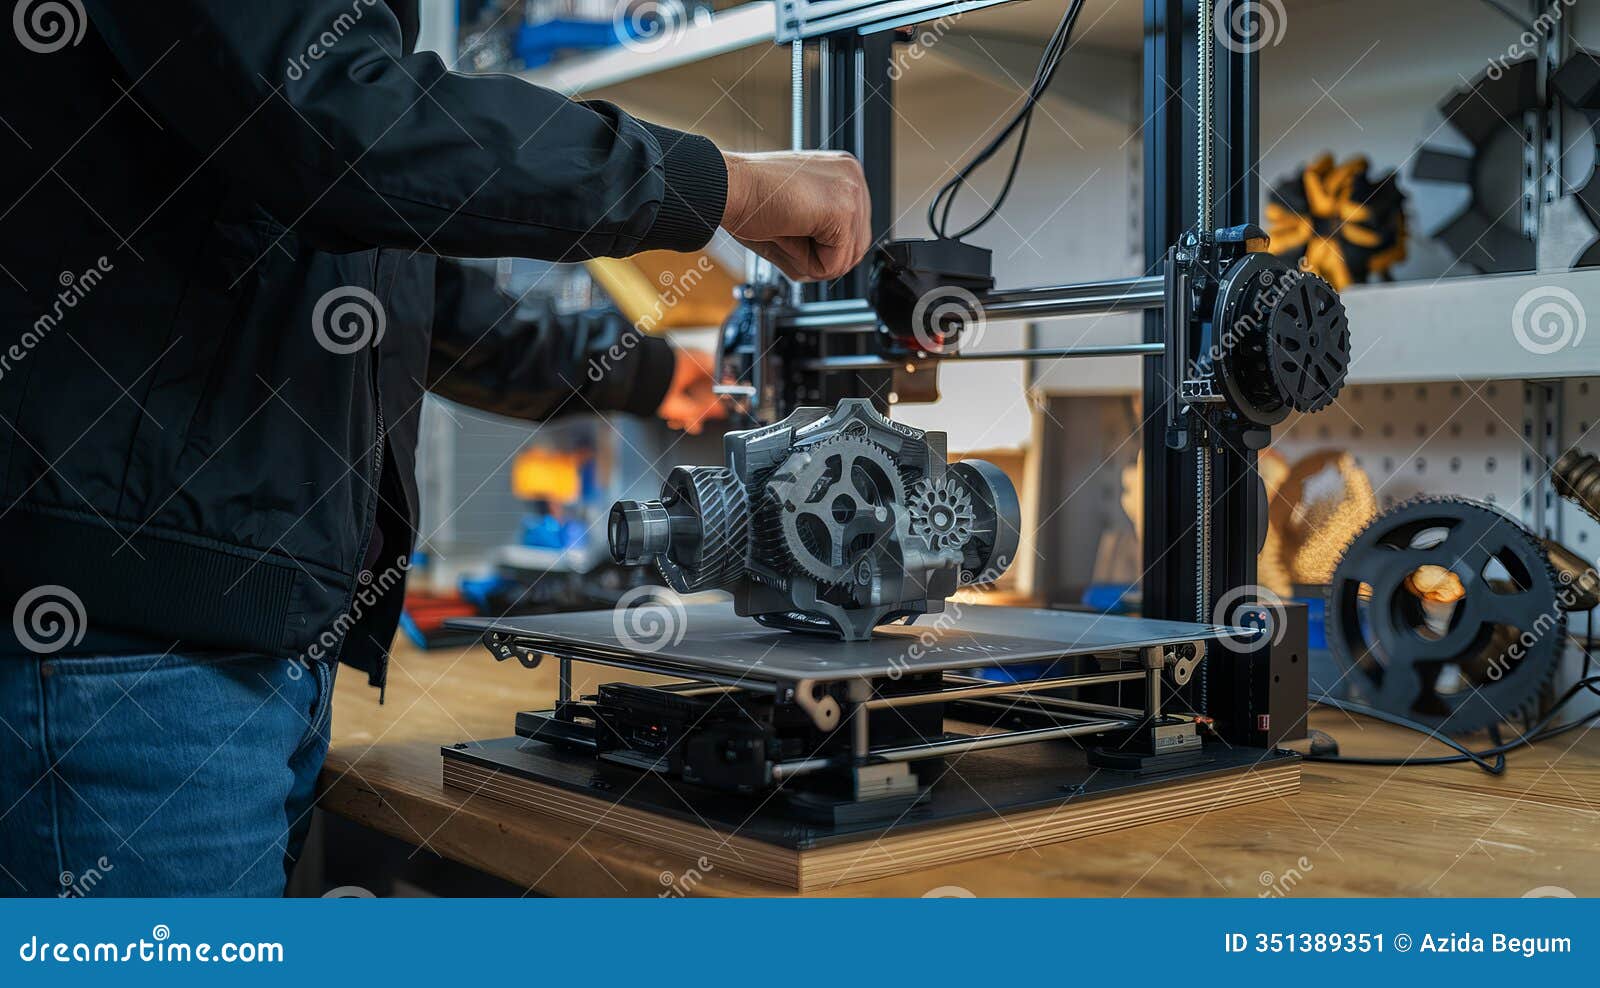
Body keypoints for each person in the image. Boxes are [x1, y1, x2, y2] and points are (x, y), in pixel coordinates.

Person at [0, 0, 872, 896]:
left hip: (237, 644)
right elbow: (343, 119)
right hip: (126, 648)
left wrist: (644, 373)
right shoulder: (311, 69)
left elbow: (391, 269)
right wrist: (725, 186)